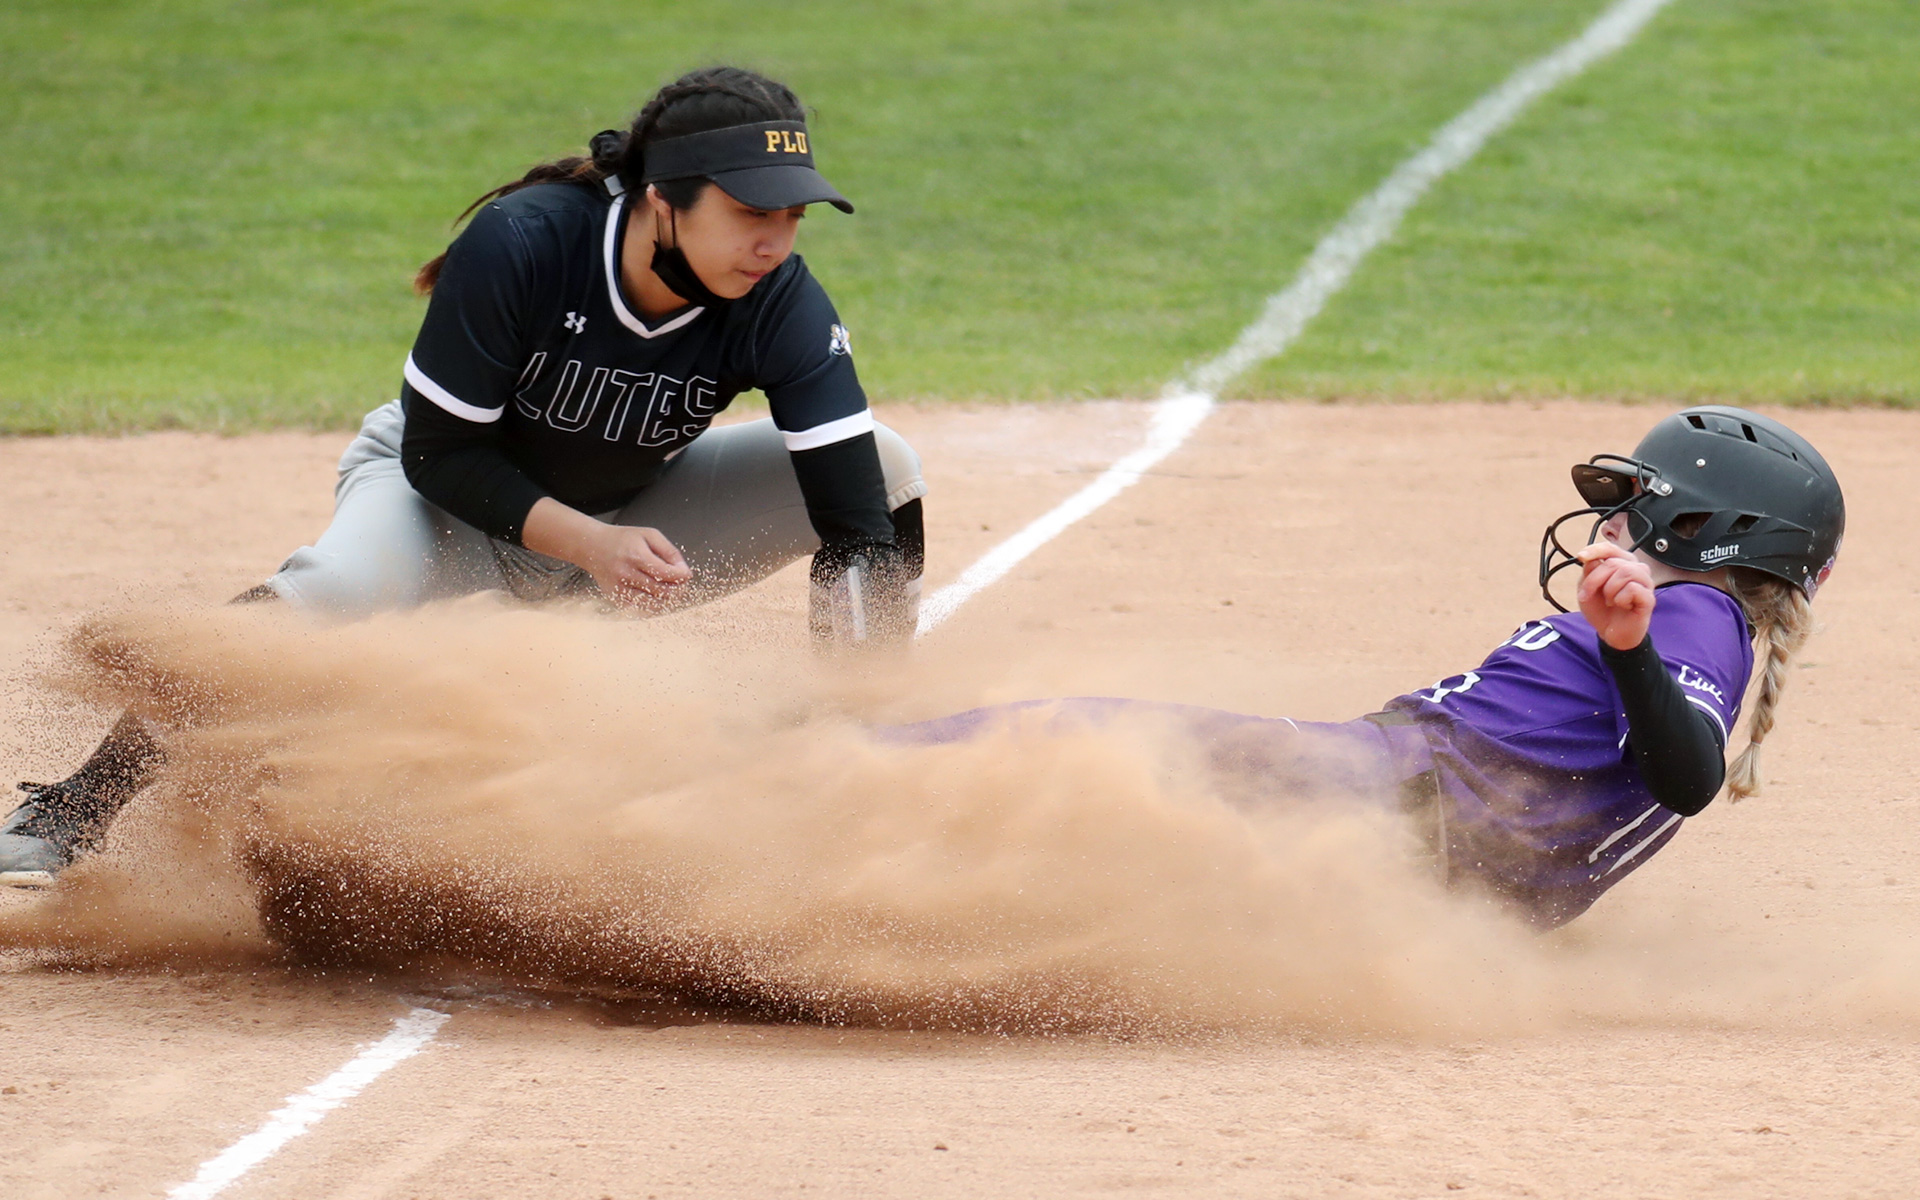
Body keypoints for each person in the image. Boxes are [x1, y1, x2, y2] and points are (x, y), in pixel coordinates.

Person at [1, 65, 927, 887]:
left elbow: (855, 518)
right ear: (661, 198)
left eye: (793, 216)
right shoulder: (525, 243)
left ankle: (864, 757)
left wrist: (865, 713)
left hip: (627, 519)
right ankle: (74, 808)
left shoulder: (782, 301)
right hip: (442, 503)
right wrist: (590, 544)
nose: (776, 241)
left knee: (888, 469)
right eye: (751, 213)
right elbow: (438, 454)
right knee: (330, 591)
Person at [887, 406, 1844, 929]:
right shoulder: (1693, 623)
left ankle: (837, 779)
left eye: (1636, 502)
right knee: (1140, 867)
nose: (1607, 518)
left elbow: (1687, 779)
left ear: (1707, 530)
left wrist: (1630, 644)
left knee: (1089, 743)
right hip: (1429, 841)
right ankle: (901, 914)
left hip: (1404, 792)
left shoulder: (1693, 616)